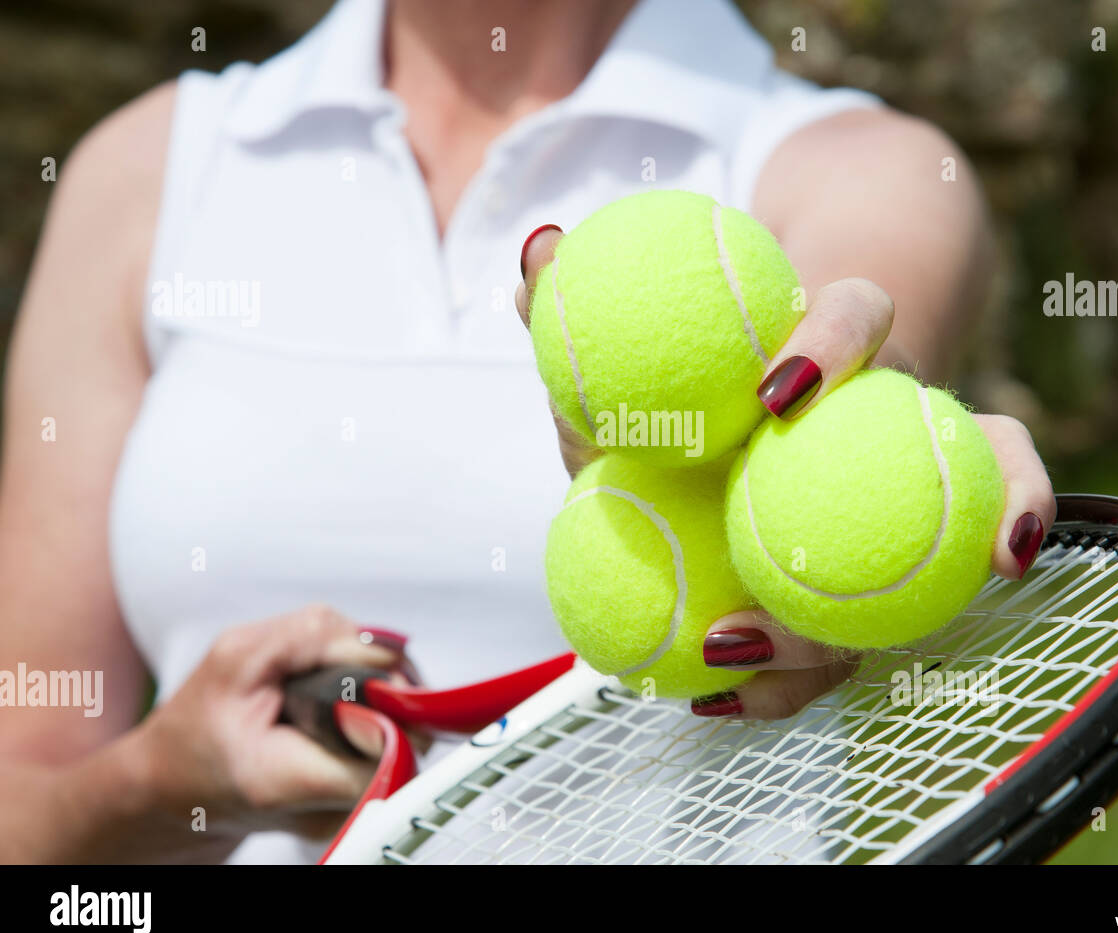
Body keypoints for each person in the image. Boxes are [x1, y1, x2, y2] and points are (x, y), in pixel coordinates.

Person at [0, 0, 1054, 863]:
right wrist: (161, 784)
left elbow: (863, 358)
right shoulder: (149, 170)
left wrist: (862, 422)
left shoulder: (860, 165)